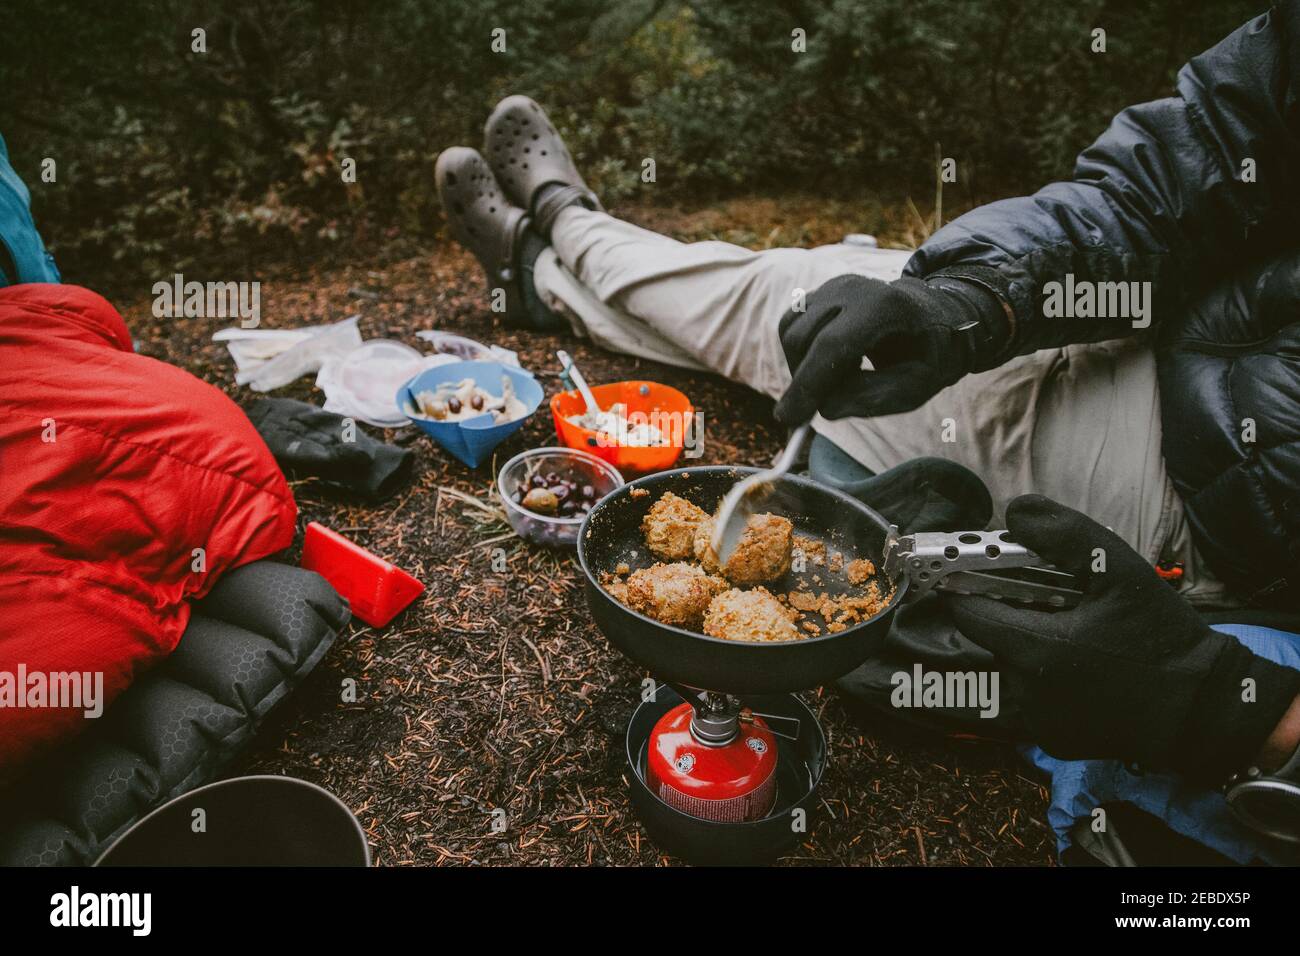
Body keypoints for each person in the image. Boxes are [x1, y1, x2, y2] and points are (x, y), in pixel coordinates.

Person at [435, 2, 1300, 856]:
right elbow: (1175, 173)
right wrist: (973, 300)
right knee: (805, 298)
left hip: (1237, 547)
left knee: (786, 329)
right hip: (1178, 362)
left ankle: (556, 246)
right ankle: (563, 241)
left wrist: (1242, 715)